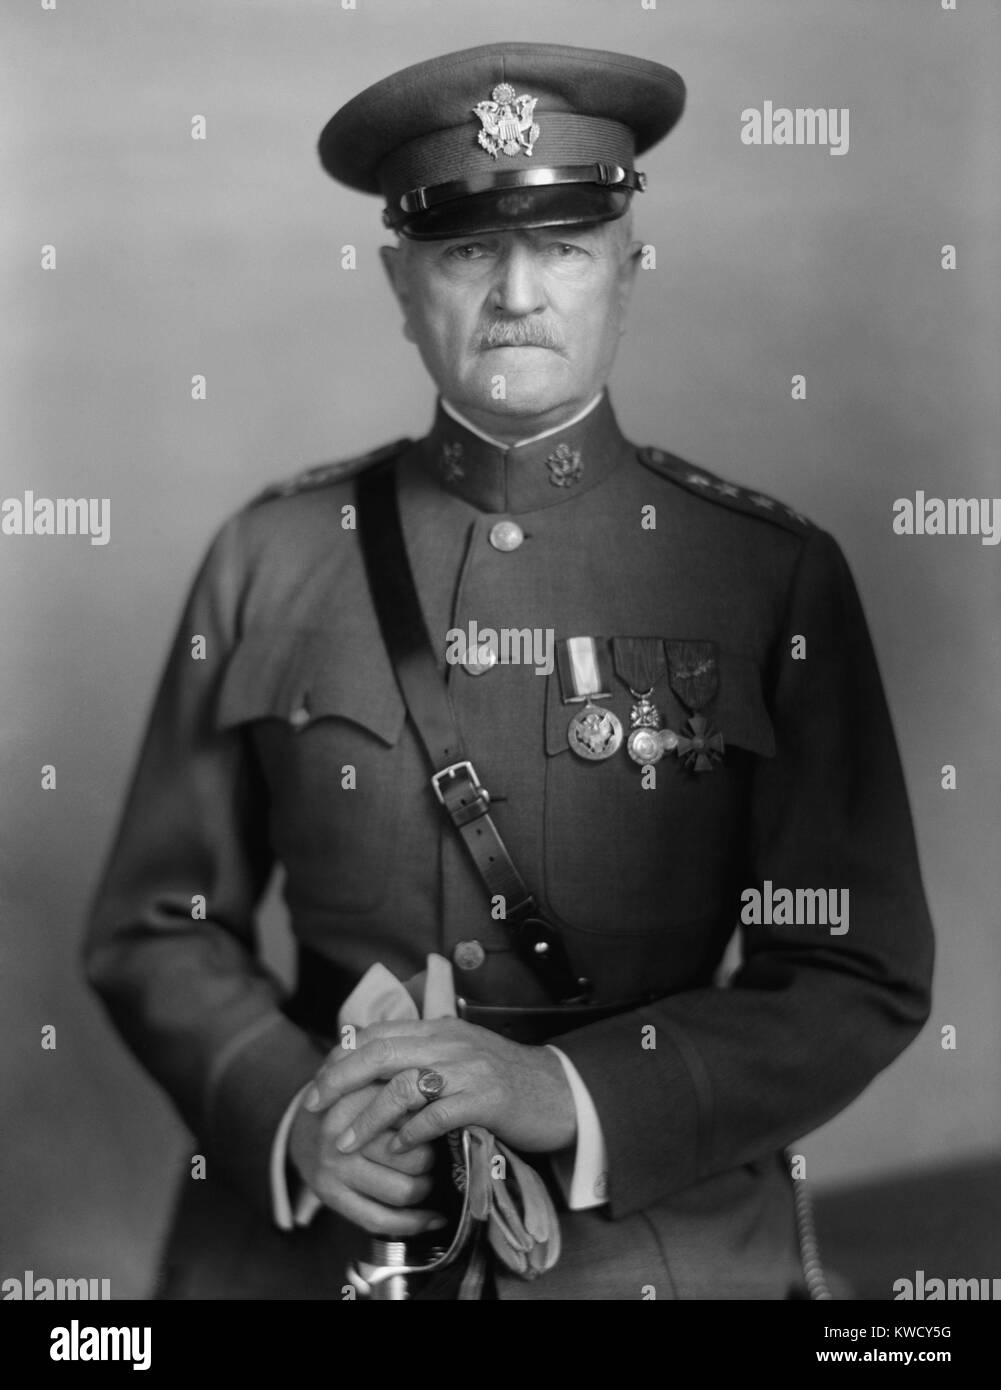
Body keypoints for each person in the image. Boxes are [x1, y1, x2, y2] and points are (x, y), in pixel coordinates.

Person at [85, 41, 934, 1300]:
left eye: (565, 246)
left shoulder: (768, 575)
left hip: (648, 1227)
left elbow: (855, 967)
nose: (516, 292)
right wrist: (289, 1115)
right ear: (399, 279)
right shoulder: (269, 558)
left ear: (626, 276)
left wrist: (567, 1089)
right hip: (331, 1221)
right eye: (467, 250)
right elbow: (154, 926)